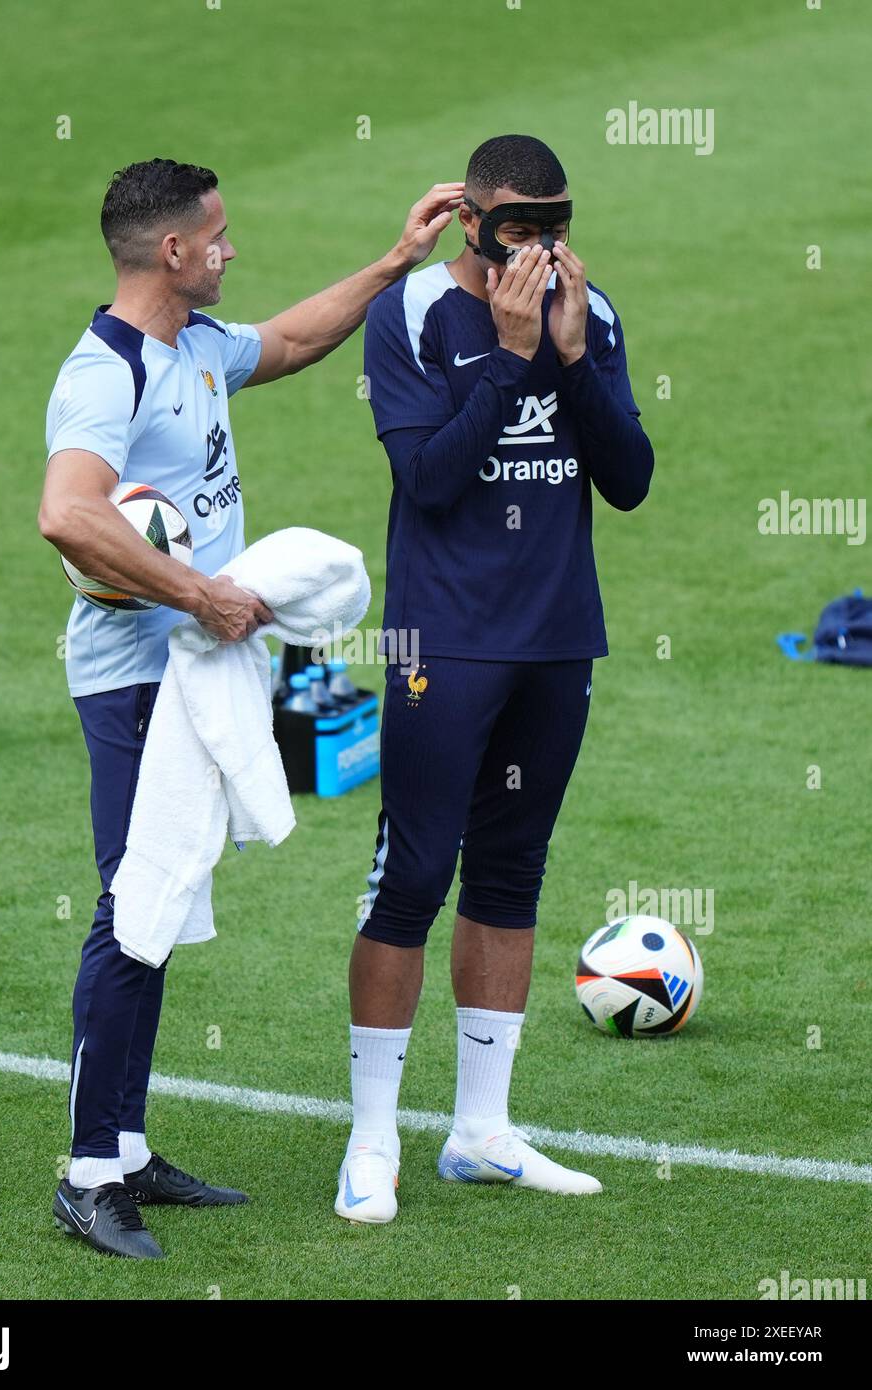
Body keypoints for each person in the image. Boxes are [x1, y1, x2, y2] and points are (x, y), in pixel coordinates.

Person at [39, 157, 463, 1259]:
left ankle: (127, 1146)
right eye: (217, 237)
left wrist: (393, 261)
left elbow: (291, 340)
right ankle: (88, 1173)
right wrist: (202, 591)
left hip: (191, 665)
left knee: (165, 899)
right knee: (133, 907)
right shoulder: (106, 374)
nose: (231, 250)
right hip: (135, 676)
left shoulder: (198, 347)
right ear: (170, 251)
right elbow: (67, 516)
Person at [336, 134, 654, 1224]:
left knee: (511, 872)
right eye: (518, 228)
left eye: (556, 226)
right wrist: (514, 357)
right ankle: (372, 1136)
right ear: (469, 221)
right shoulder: (414, 315)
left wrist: (566, 356)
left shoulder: (591, 313)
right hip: (445, 644)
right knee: (412, 875)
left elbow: (630, 480)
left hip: (556, 638)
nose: (540, 248)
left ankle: (480, 1132)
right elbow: (427, 479)